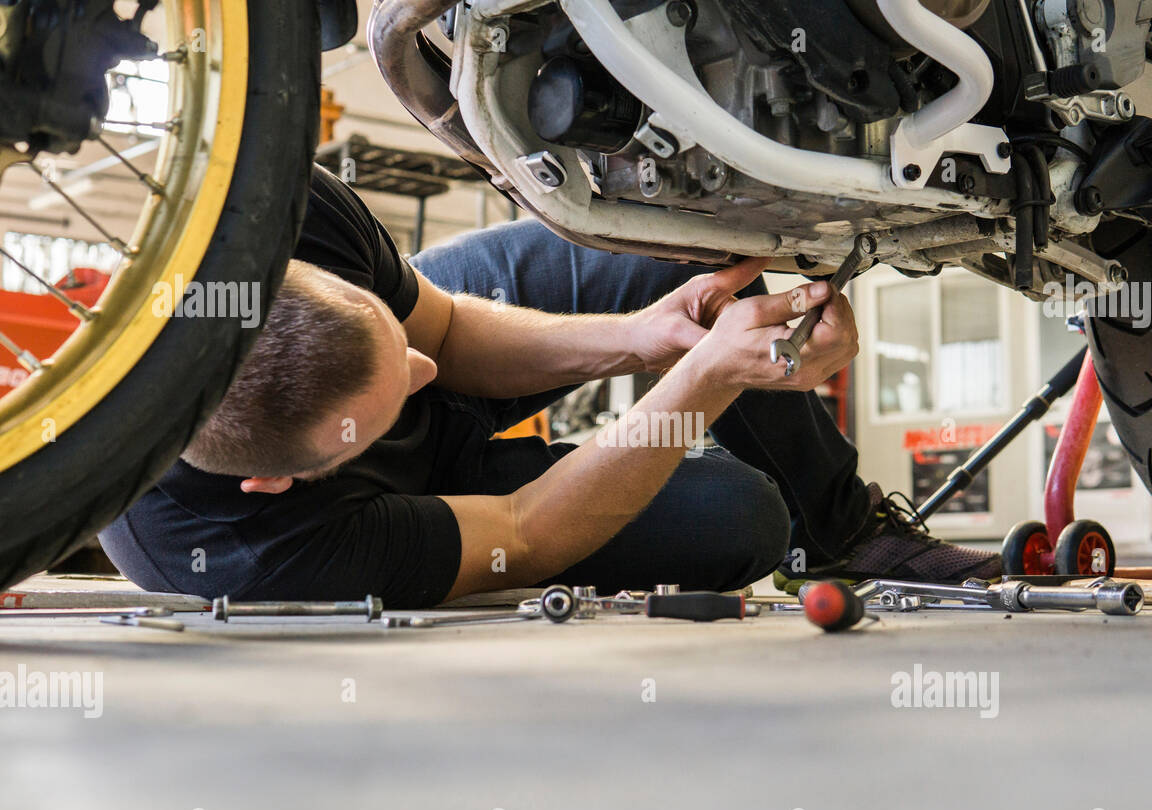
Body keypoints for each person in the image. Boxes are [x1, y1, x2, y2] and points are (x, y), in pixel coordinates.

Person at [100, 166, 1001, 607]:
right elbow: (523, 536)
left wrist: (646, 337)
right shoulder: (241, 550)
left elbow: (444, 337)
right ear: (275, 481)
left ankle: (842, 529)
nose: (421, 379)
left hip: (426, 344)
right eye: (386, 405)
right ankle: (791, 515)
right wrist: (700, 378)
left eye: (390, 345)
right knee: (739, 519)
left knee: (667, 256)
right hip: (432, 501)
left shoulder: (277, 207)